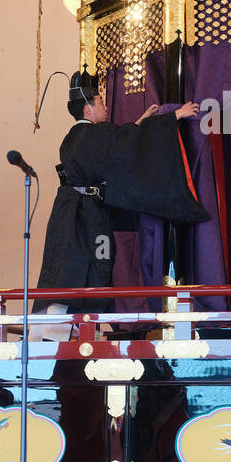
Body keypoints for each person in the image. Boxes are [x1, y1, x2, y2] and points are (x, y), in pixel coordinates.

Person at [35, 68, 209, 315]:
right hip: (87, 217)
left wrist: (142, 122)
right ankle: (78, 329)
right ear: (88, 109)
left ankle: (59, 329)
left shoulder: (74, 137)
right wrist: (175, 116)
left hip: (69, 216)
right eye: (101, 102)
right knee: (91, 267)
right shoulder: (95, 134)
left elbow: (118, 142)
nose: (105, 107)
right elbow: (121, 144)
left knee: (66, 269)